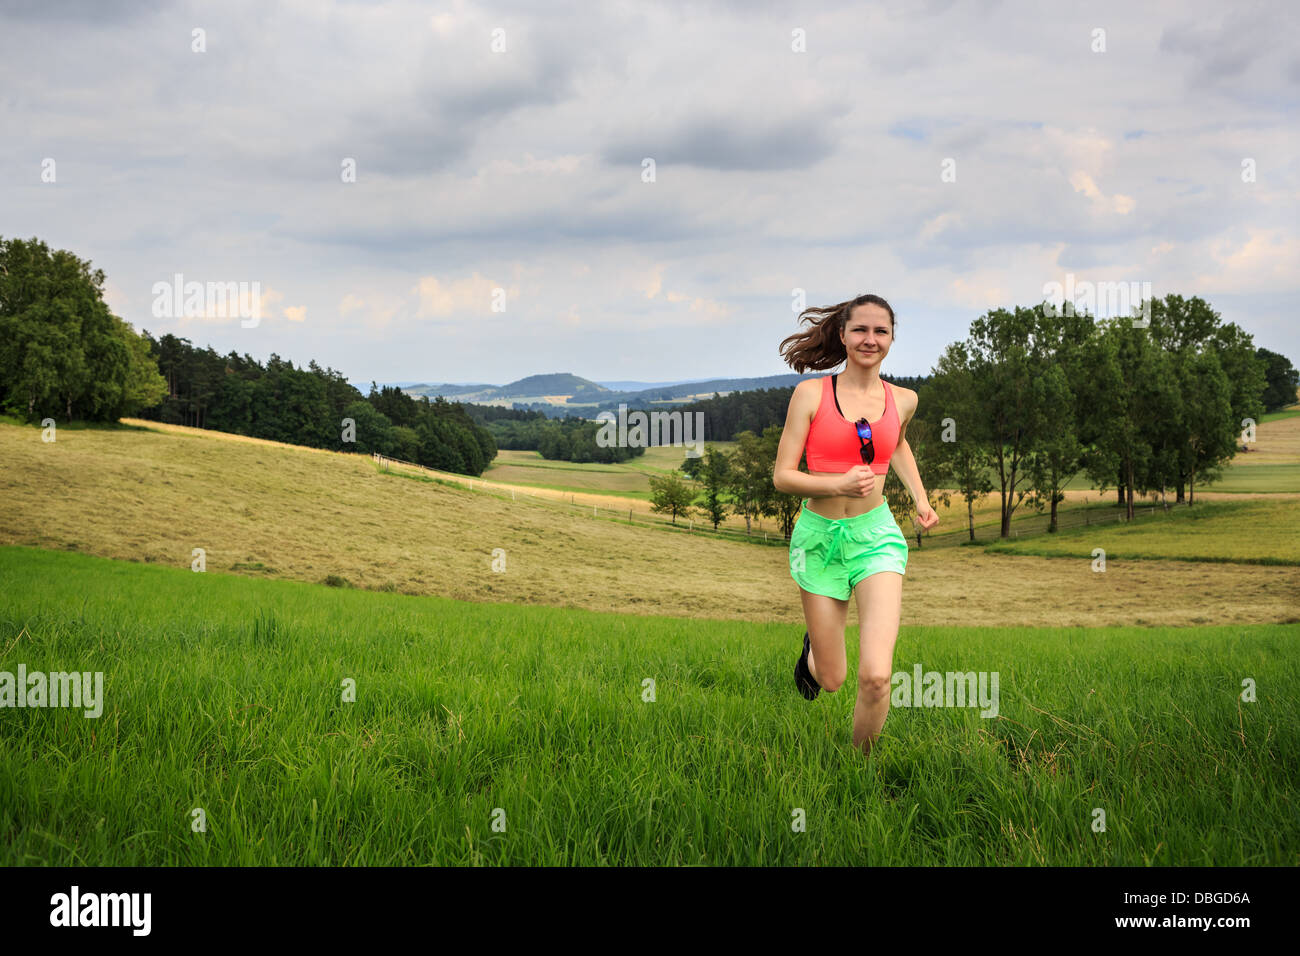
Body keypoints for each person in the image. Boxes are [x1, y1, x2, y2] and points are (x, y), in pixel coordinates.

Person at [773, 293, 939, 755]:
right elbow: (782, 475)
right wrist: (837, 483)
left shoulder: (904, 400)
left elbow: (897, 445)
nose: (871, 339)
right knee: (833, 679)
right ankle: (812, 655)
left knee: (876, 677)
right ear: (843, 335)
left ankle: (859, 767)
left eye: (880, 331)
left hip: (876, 538)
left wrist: (920, 499)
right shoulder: (811, 394)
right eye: (861, 330)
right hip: (818, 541)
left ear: (891, 339)